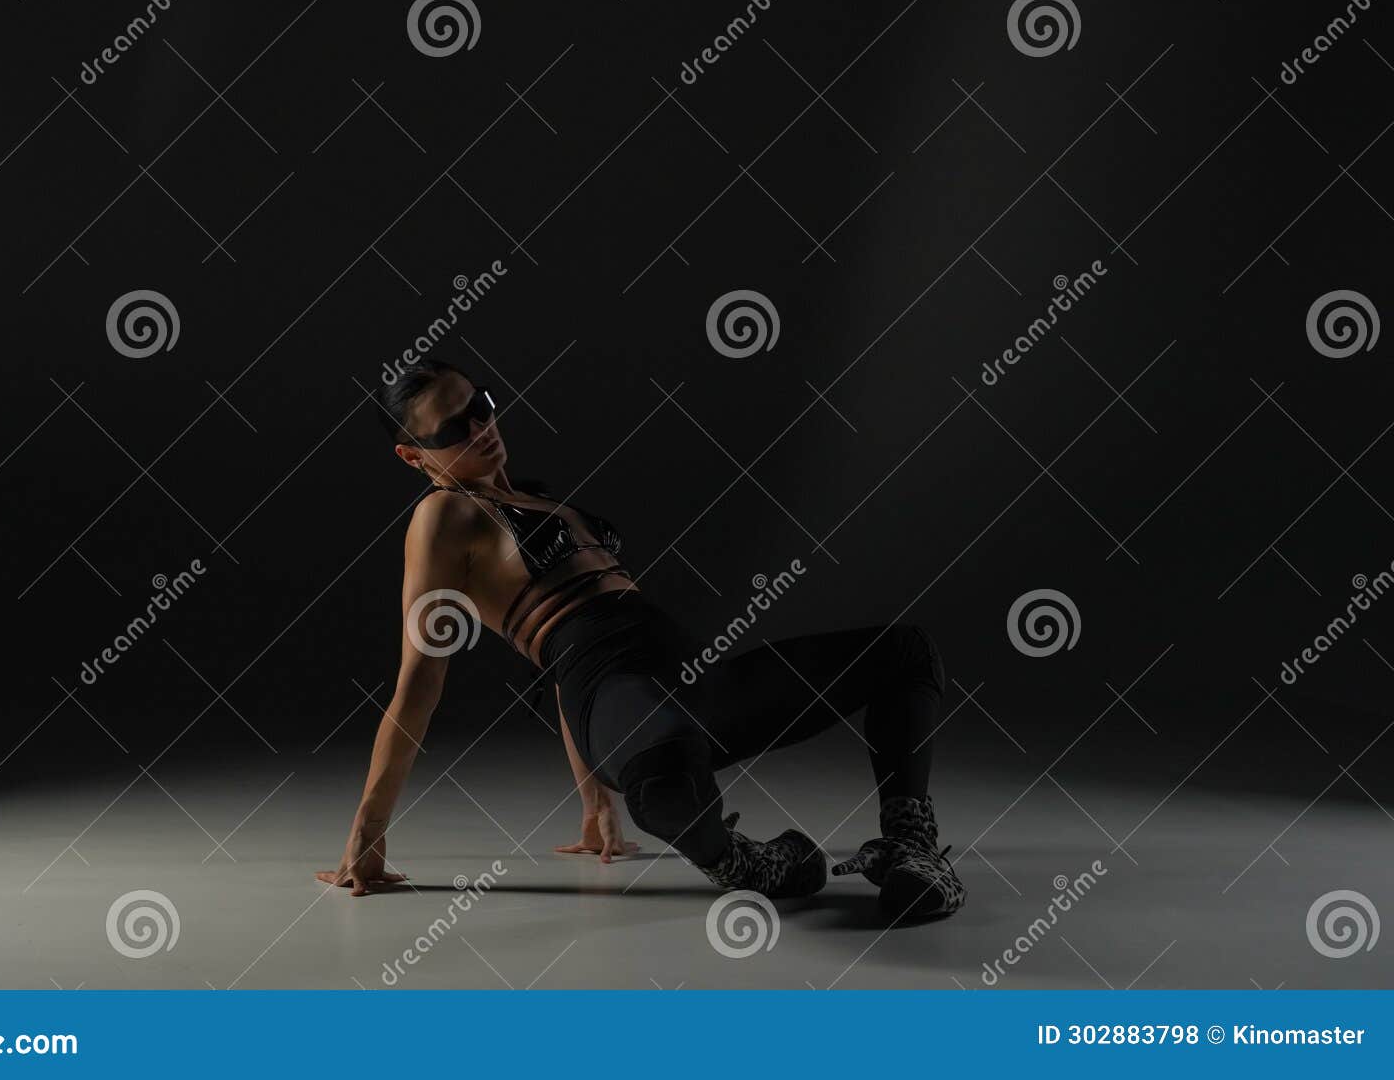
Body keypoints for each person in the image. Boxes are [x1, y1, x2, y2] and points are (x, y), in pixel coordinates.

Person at [317, 359, 965, 919]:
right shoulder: (442, 515)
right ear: (413, 455)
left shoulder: (537, 497)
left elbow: (566, 661)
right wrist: (369, 831)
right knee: (665, 784)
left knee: (905, 653)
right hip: (616, 691)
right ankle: (750, 863)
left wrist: (596, 805)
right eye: (454, 429)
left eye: (481, 406)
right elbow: (422, 679)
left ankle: (911, 842)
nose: (482, 428)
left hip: (692, 679)